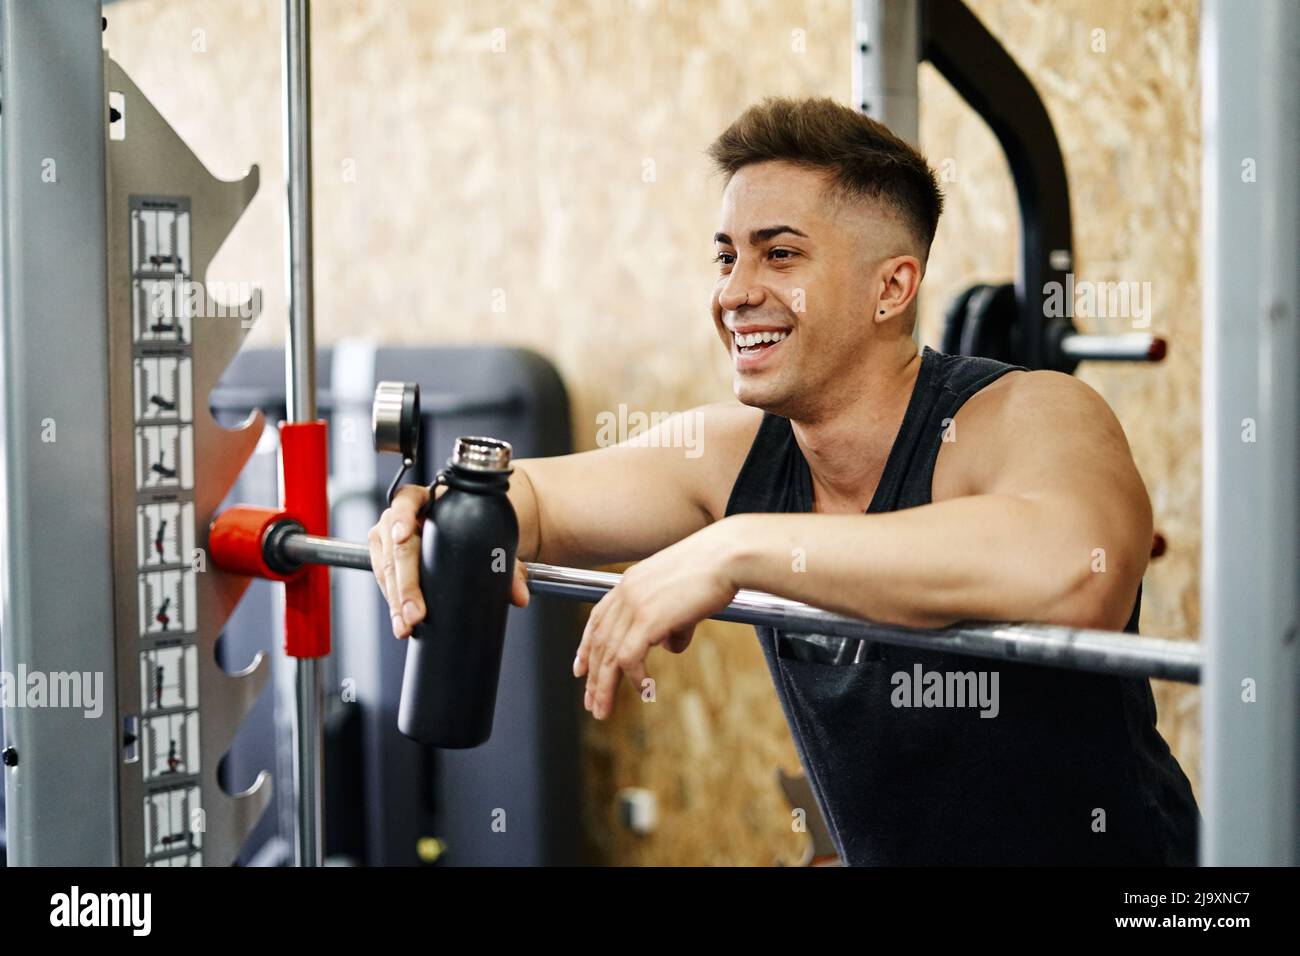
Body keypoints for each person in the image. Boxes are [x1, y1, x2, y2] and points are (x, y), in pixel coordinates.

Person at [368, 96, 1200, 865]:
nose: (734, 292)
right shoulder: (736, 452)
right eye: (727, 256)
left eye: (781, 253)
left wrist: (739, 548)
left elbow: (1070, 569)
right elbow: (537, 500)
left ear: (892, 288)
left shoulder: (1028, 412)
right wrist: (446, 512)